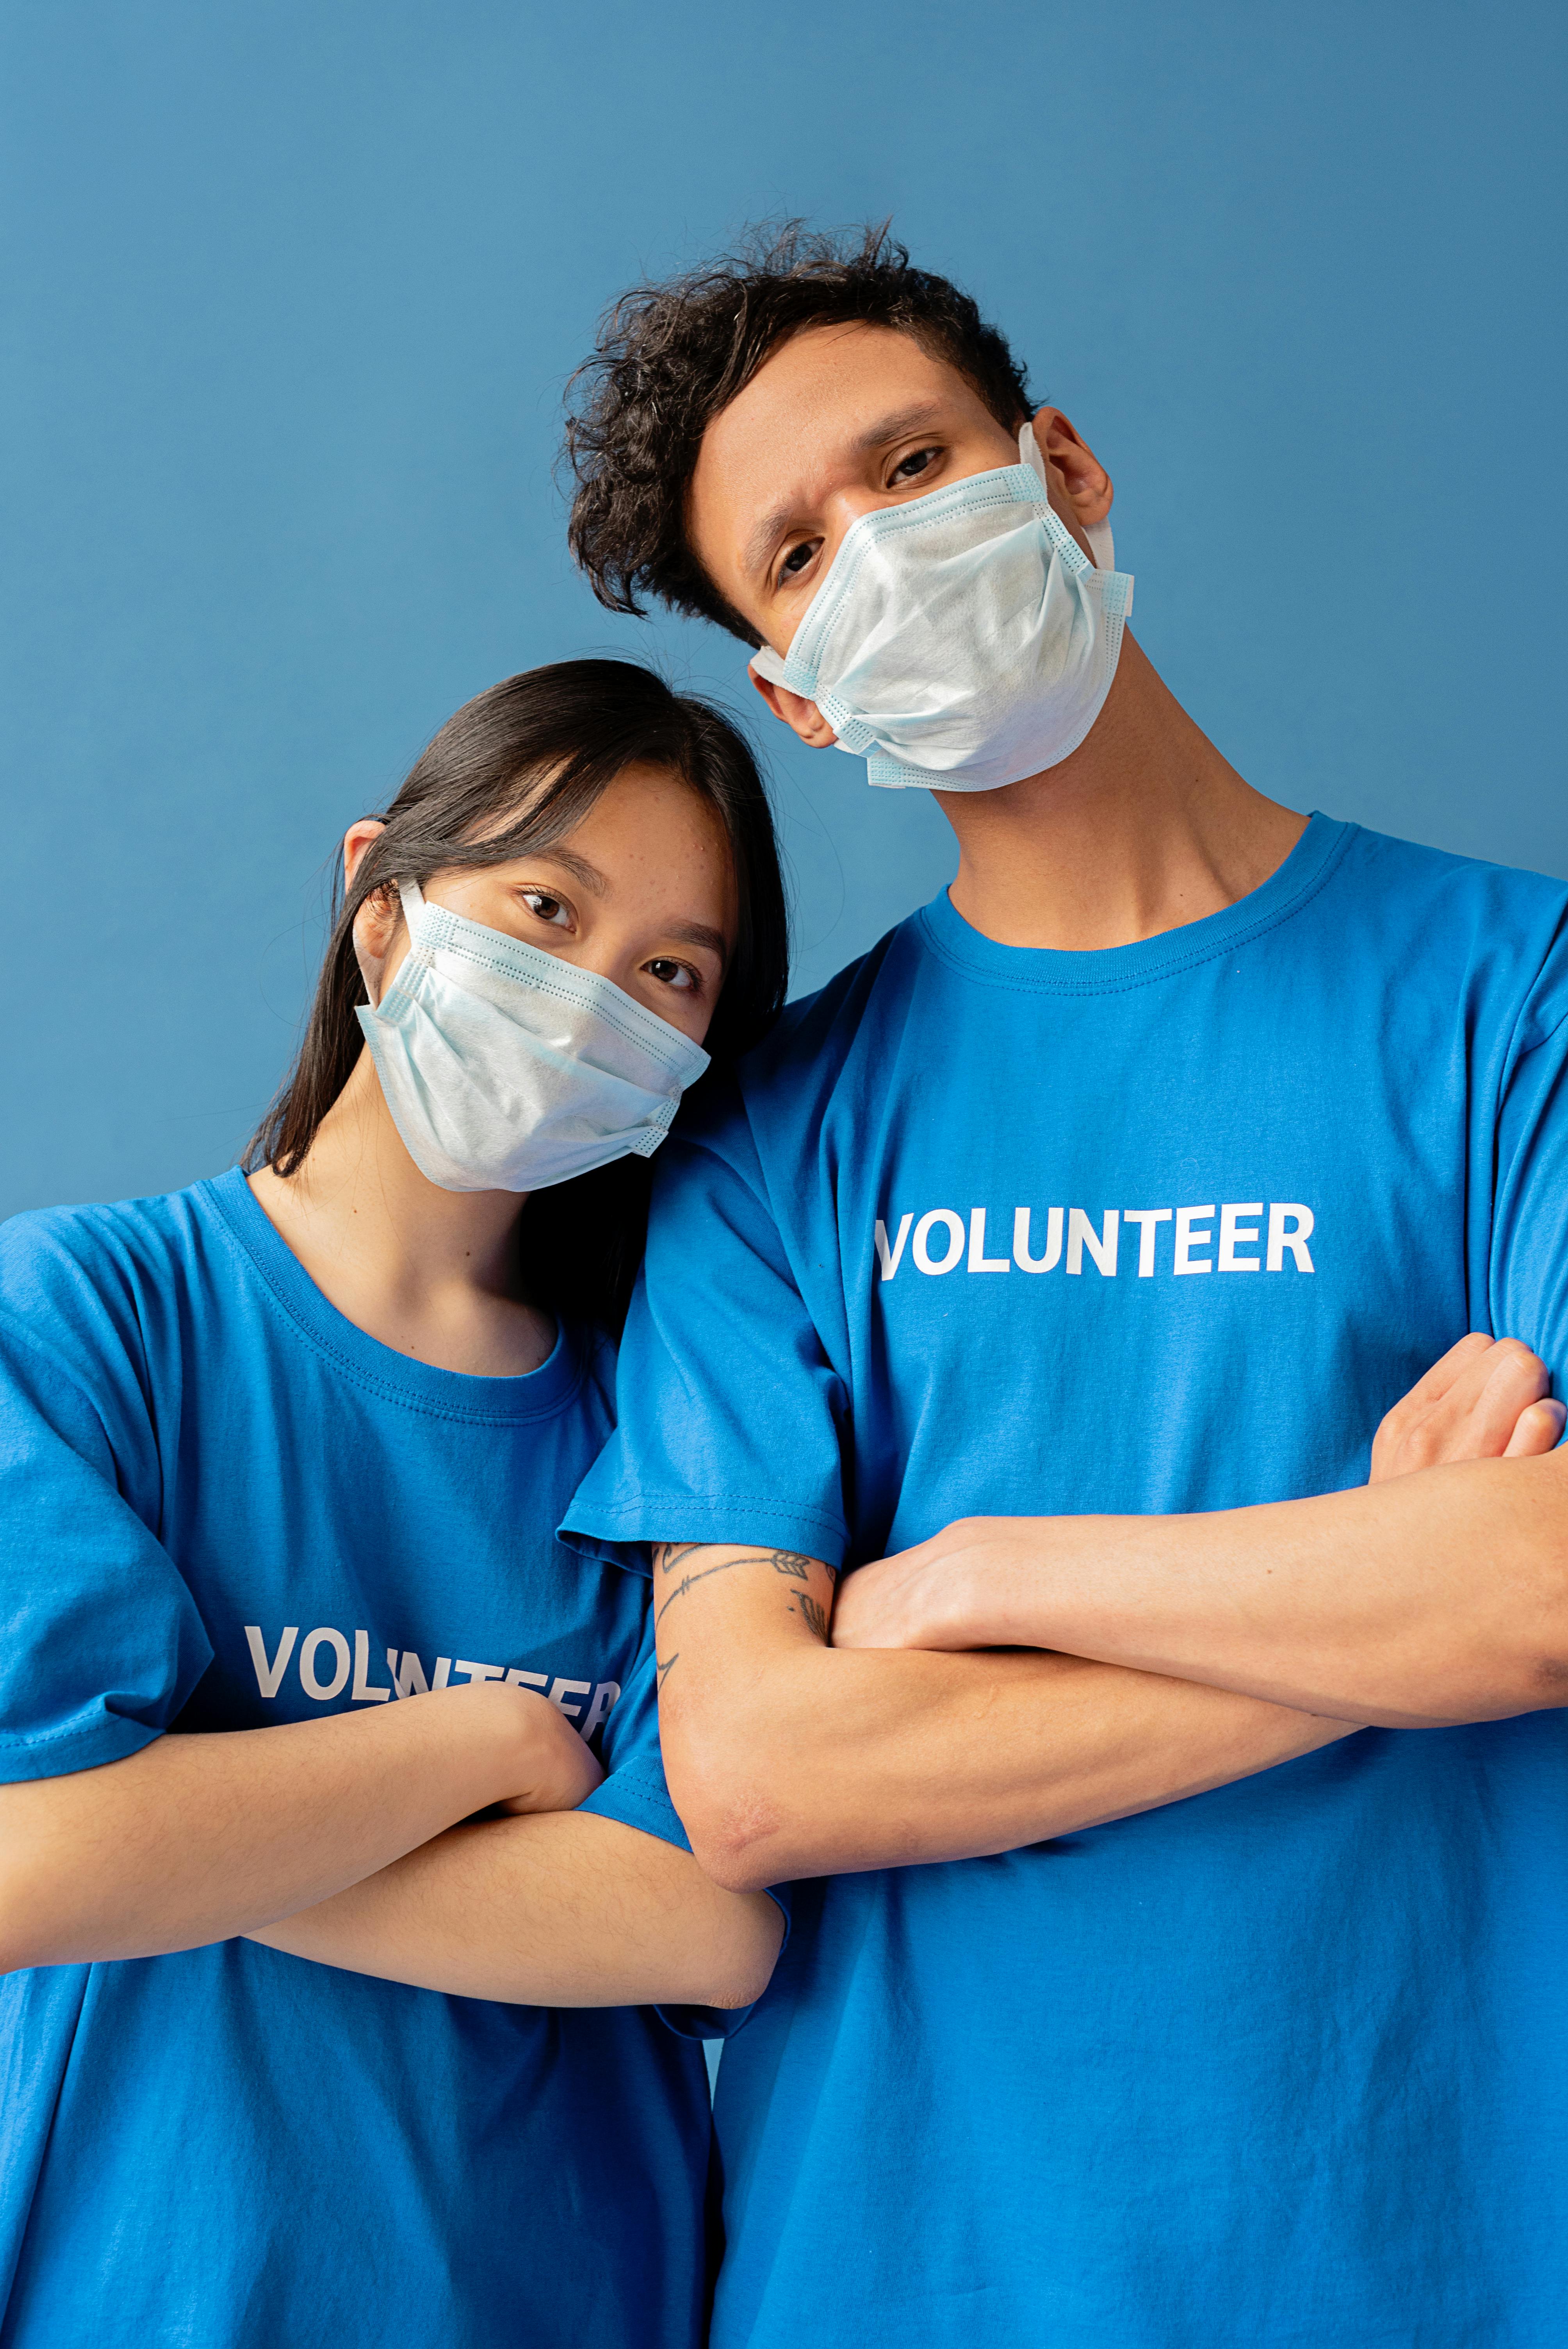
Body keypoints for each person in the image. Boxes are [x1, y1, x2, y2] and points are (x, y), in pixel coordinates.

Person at [560, 227, 1568, 2346]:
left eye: (912, 467)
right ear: (794, 690)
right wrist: (1386, 1594)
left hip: (1443, 2248)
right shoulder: (764, 1143)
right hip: (913, 2275)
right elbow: (755, 1775)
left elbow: (1545, 1589)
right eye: (801, 554)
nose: (882, 553)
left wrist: (980, 1576)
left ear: (1067, 470)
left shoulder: (1515, 999)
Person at [0, 660, 788, 2349]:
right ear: (380, 908)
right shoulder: (83, 1321)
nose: (588, 997)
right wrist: (487, 1745)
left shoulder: (674, 1429)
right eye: (542, 905)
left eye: (665, 969)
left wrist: (181, 1830)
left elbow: (703, 1916)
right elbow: (27, 1857)